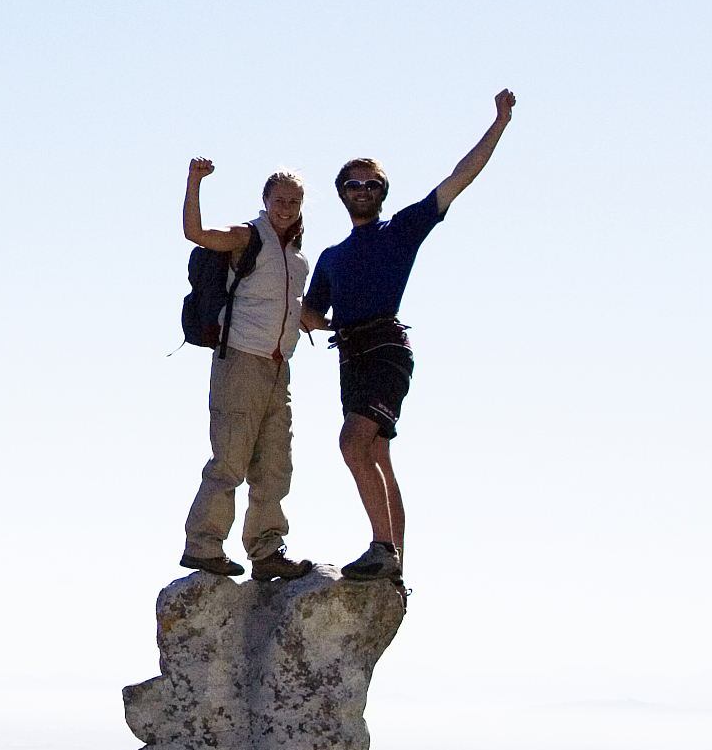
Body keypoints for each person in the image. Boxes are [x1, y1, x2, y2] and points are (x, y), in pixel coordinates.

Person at [300, 90, 517, 583]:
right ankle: (394, 565)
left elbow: (457, 179)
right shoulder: (332, 256)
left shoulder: (400, 230)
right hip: (350, 354)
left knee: (352, 444)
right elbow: (311, 313)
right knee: (376, 453)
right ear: (342, 193)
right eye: (353, 183)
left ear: (382, 192)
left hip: (386, 349)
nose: (362, 189)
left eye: (371, 183)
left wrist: (499, 124)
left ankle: (382, 550)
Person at [178, 160, 314, 584]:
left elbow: (297, 311)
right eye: (280, 201)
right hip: (239, 360)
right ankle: (203, 545)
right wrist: (194, 182)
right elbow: (196, 234)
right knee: (230, 461)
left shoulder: (296, 255)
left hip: (278, 369)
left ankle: (267, 549)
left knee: (275, 465)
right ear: (266, 201)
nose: (287, 208)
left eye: (294, 201)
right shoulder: (247, 236)